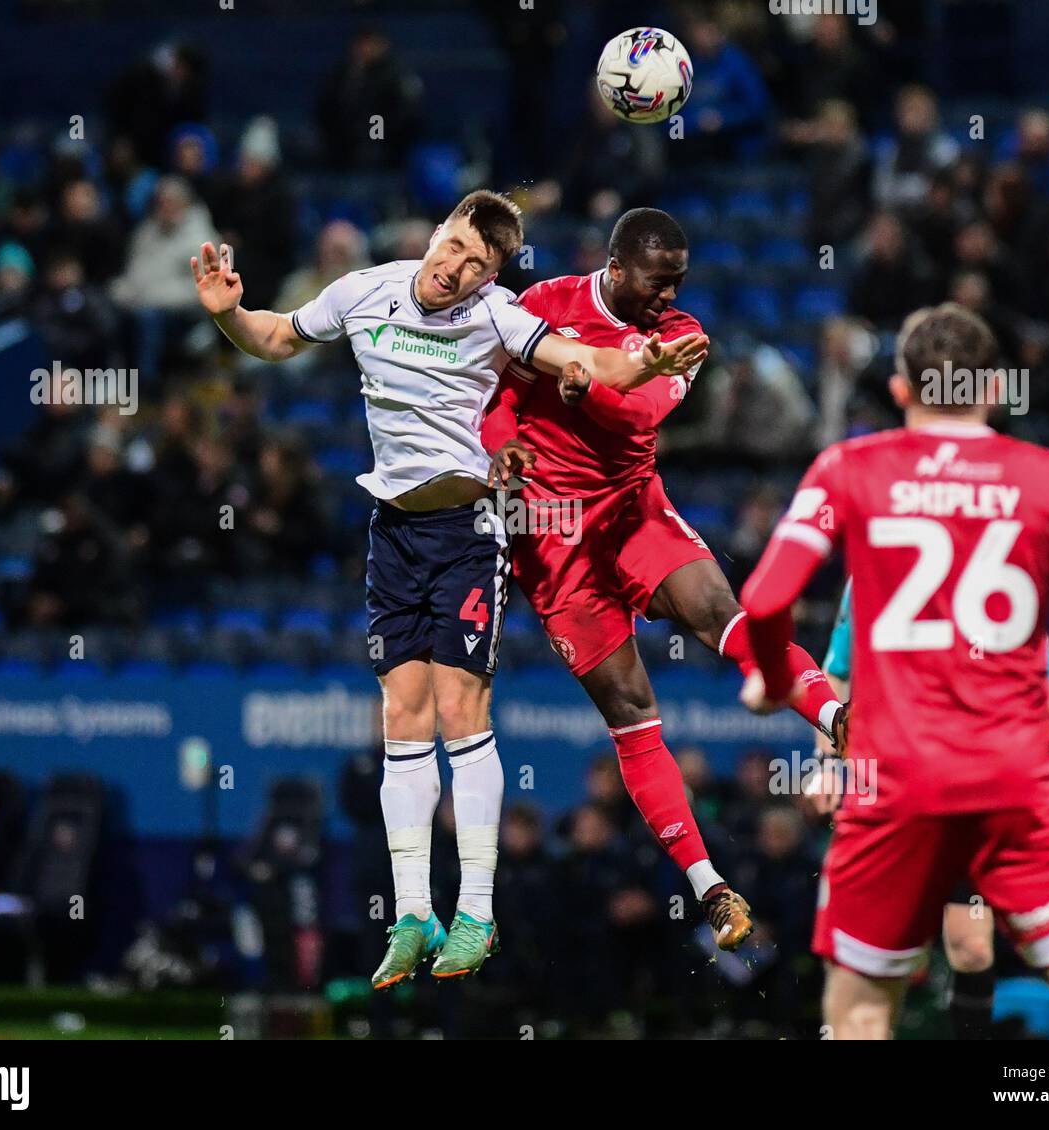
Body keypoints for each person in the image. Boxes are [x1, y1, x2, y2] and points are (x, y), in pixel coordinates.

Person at [193, 189, 707, 989]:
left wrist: (645, 359)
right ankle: (411, 914)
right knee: (400, 716)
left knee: (461, 713)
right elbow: (276, 337)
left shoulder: (498, 317)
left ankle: (475, 912)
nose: (459, 271)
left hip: (470, 531)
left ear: (493, 275)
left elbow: (590, 361)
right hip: (390, 531)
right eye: (457, 249)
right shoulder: (364, 290)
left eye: (480, 265)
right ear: (436, 234)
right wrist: (229, 314)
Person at [741, 302, 1049, 1040]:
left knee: (860, 1015)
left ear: (902, 390)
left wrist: (774, 674)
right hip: (1024, 784)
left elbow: (765, 599)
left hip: (897, 786)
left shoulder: (850, 468)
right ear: (997, 389)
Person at [480, 209, 847, 950]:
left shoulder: (683, 335)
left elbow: (634, 412)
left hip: (632, 508)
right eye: (656, 281)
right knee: (630, 707)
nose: (667, 295)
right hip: (550, 539)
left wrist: (586, 376)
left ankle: (841, 721)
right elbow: (498, 401)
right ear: (615, 269)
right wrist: (509, 444)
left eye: (677, 281)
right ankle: (708, 886)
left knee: (720, 609)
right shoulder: (545, 304)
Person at [811, 577, 1049, 1039]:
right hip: (888, 788)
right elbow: (836, 671)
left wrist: (1031, 759)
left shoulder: (1000, 570)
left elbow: (1048, 681)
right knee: (866, 945)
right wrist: (827, 761)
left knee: (971, 947)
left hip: (972, 792)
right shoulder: (871, 572)